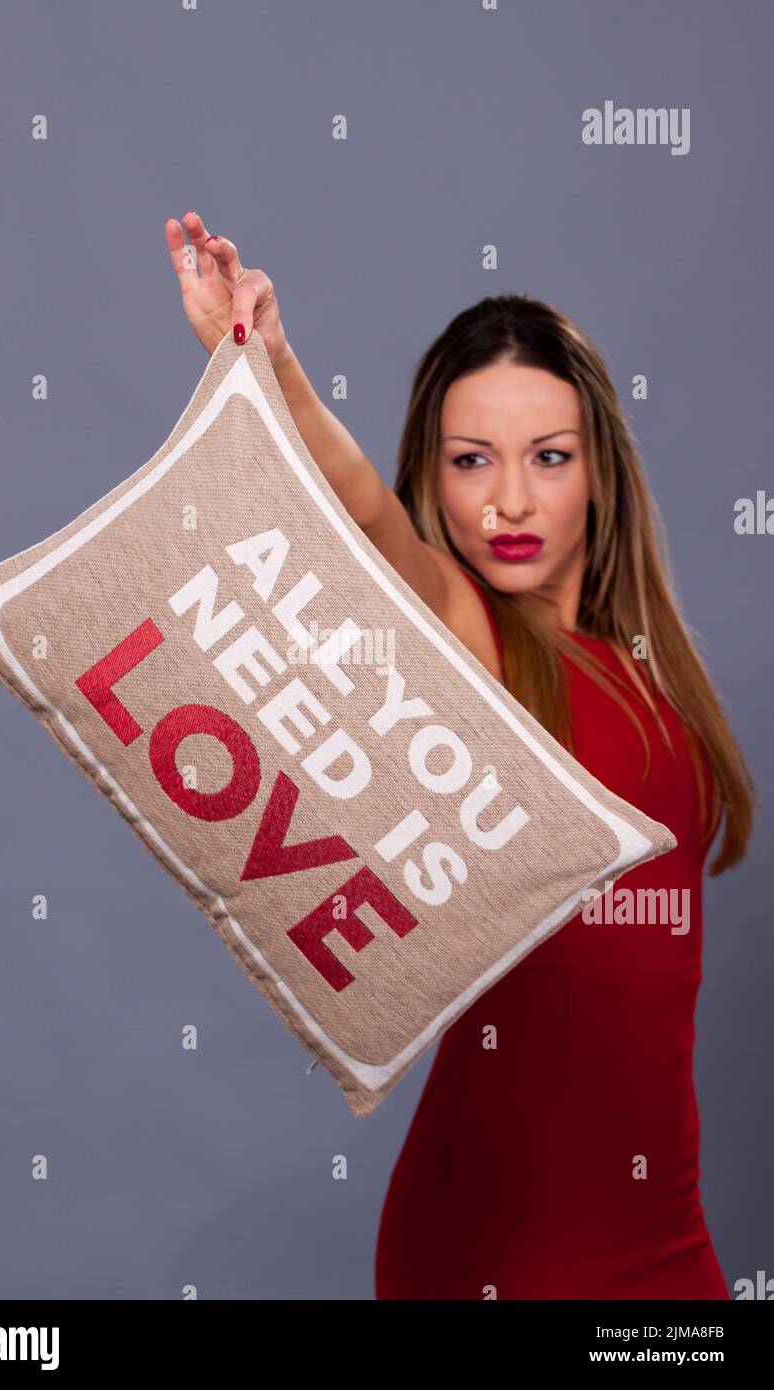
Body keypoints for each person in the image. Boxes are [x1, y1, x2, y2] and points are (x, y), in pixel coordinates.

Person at [164, 212, 755, 1300]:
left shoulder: (649, 666)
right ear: (435, 478)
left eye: (548, 458)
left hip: (662, 1238)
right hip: (496, 1248)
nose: (510, 501)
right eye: (470, 461)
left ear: (598, 470)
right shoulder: (466, 631)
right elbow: (368, 517)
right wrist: (272, 362)